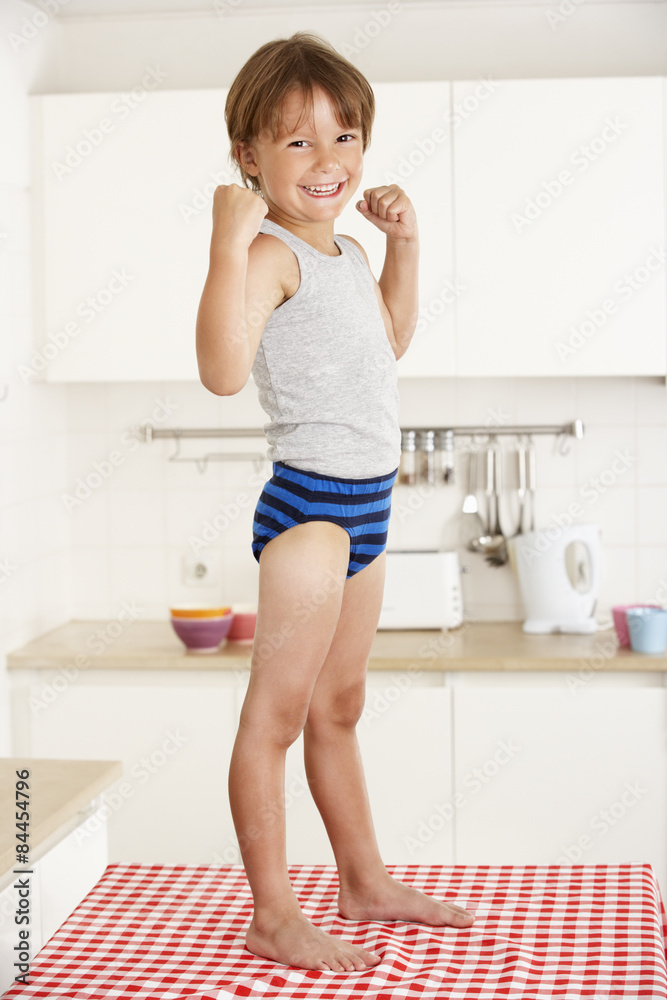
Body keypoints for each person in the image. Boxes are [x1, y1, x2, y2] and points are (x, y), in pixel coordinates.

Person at [196, 30, 475, 974]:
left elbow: (389, 340)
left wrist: (403, 245)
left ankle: (362, 879)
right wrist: (224, 246)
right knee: (273, 717)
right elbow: (223, 373)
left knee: (339, 708)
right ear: (249, 157)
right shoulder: (267, 254)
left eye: (344, 137)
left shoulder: (347, 251)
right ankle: (272, 912)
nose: (329, 162)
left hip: (369, 512)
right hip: (310, 516)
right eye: (298, 142)